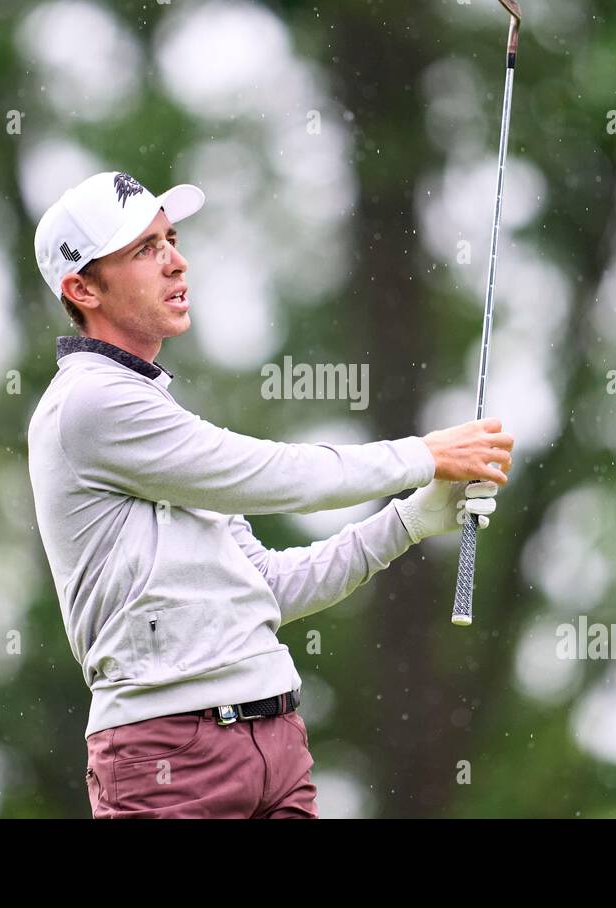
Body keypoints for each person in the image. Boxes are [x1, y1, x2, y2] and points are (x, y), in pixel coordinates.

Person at [26, 170, 514, 818]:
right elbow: (269, 474)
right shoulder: (90, 403)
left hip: (278, 742)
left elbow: (269, 587)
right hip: (167, 757)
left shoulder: (149, 406)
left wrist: (411, 519)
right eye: (144, 250)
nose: (177, 262)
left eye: (170, 239)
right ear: (81, 287)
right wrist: (421, 456)